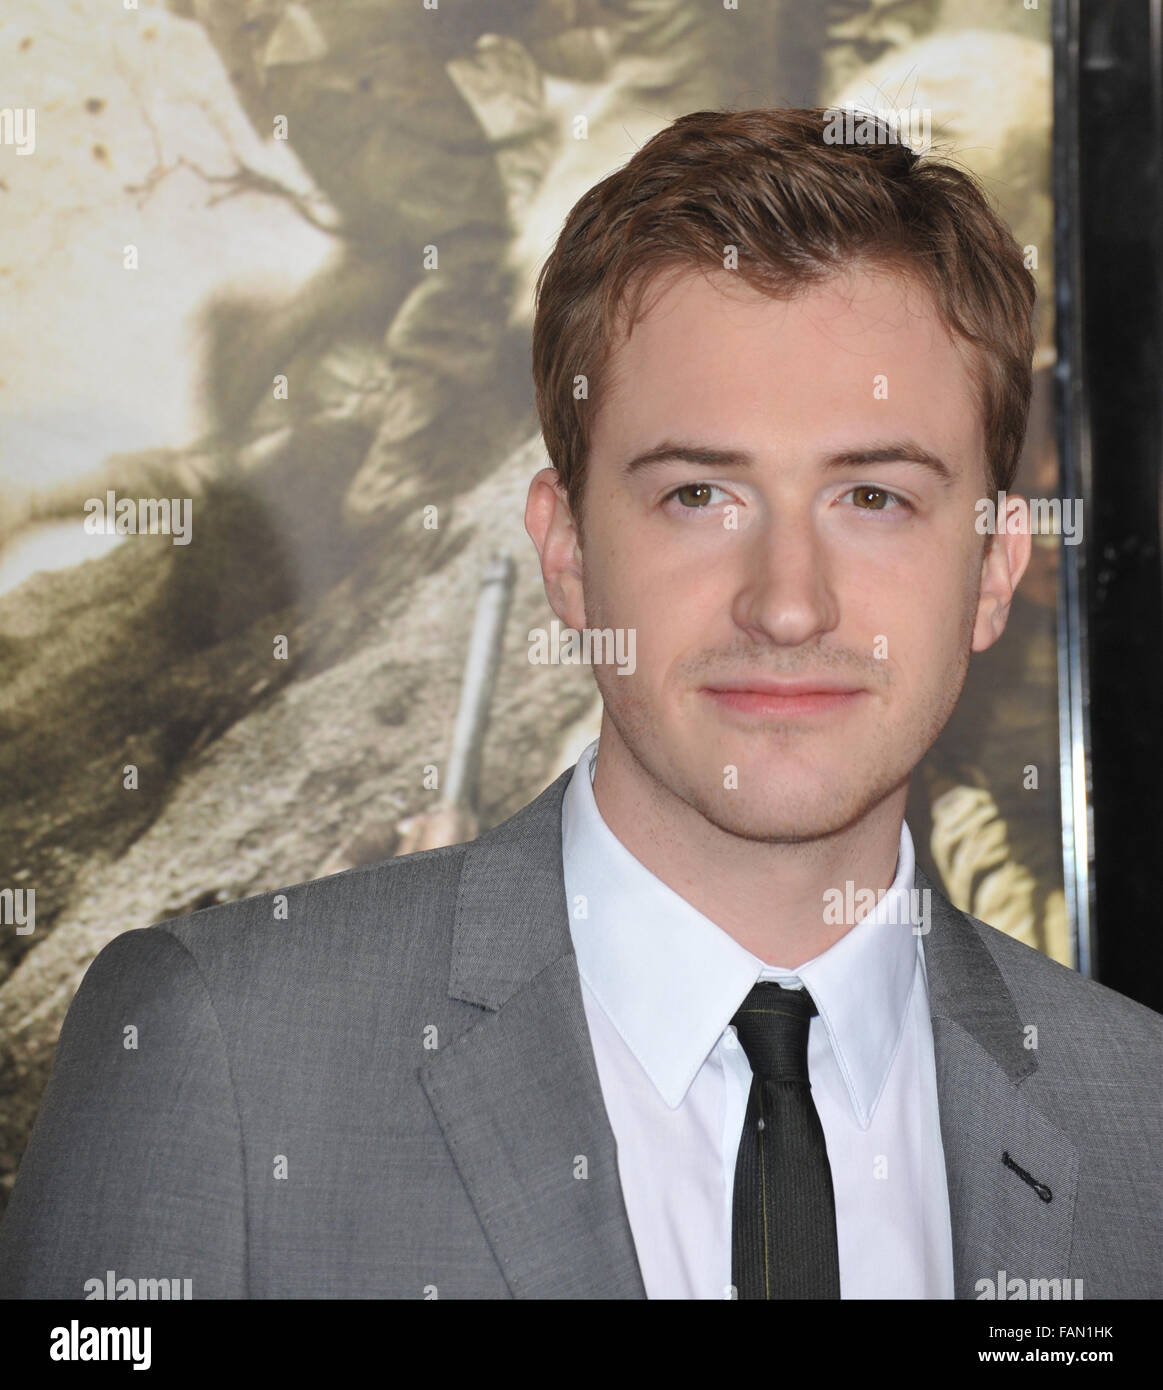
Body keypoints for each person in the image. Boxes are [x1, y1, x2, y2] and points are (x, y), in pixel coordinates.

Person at [0, 107, 1158, 1301]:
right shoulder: (218, 1058)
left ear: (995, 570)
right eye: (699, 492)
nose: (788, 603)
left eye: (870, 496)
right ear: (564, 556)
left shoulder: (1140, 1126)